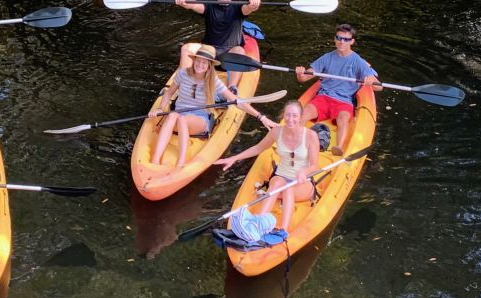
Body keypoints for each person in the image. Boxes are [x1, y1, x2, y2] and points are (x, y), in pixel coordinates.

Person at [149, 45, 276, 170]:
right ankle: (155, 160)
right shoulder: (182, 74)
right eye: (198, 61)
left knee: (182, 119)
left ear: (209, 65)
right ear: (194, 60)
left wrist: (261, 117)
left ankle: (180, 163)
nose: (200, 65)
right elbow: (169, 93)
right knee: (172, 115)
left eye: (204, 62)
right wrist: (160, 108)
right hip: (179, 114)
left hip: (199, 120)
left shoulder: (213, 81)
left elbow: (237, 101)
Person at [215, 100, 321, 235]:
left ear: (300, 117)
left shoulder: (311, 136)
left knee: (287, 188)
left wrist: (304, 172)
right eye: (288, 115)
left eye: (294, 115)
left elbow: (315, 166)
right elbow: (258, 148)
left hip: (302, 184)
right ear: (283, 115)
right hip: (280, 177)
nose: (290, 119)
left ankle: (283, 230)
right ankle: (257, 224)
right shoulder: (276, 132)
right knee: (276, 183)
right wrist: (234, 158)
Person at [295, 23, 380, 156]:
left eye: (346, 39)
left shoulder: (358, 61)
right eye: (339, 38)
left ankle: (339, 147)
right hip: (323, 97)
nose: (341, 42)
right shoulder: (327, 57)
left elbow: (379, 87)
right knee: (306, 112)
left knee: (343, 118)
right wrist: (300, 74)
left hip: (344, 100)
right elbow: (304, 78)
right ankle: (294, 137)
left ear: (352, 41)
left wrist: (371, 81)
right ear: (334, 39)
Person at [174, 0, 261, 91]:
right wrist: (184, 1)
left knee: (239, 50)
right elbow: (193, 4)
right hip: (208, 54)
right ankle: (182, 85)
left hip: (229, 56)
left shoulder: (239, 7)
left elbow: (248, 8)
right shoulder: (209, 7)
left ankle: (231, 88)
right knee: (186, 48)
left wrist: (254, 4)